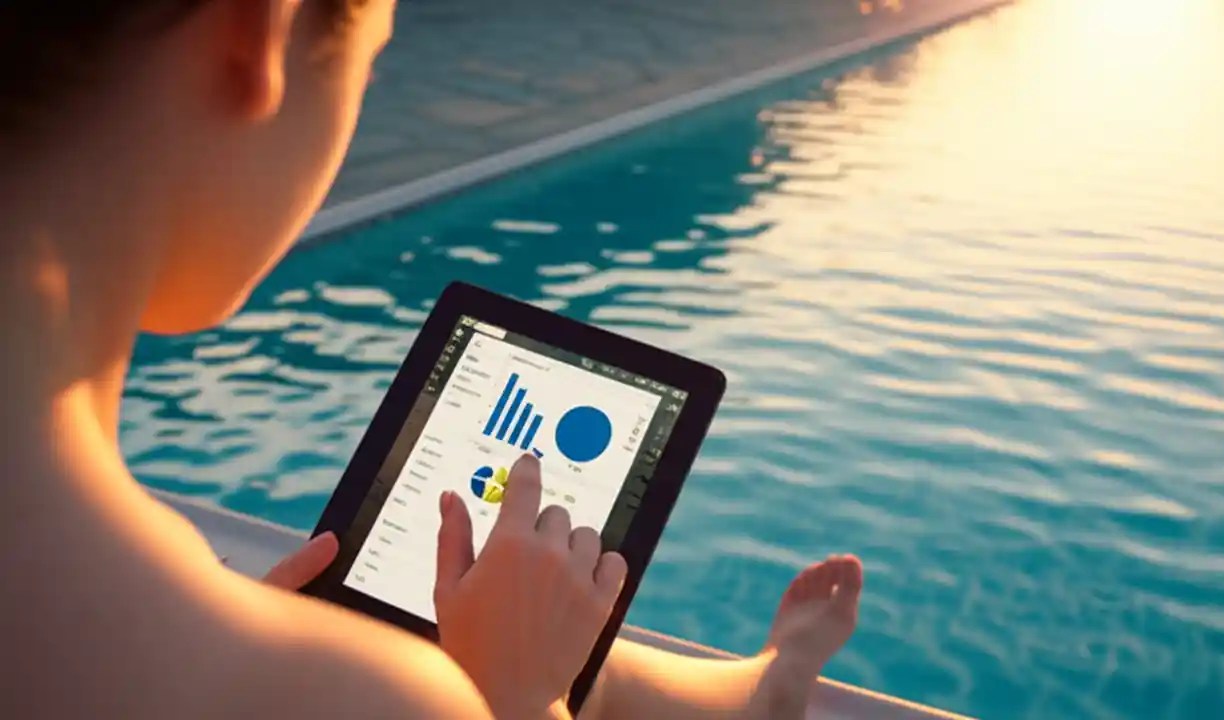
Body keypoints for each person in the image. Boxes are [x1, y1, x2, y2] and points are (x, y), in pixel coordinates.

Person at [0, 1, 863, 718]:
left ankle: (758, 690)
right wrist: (512, 701)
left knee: (516, 626)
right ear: (255, 33)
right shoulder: (374, 698)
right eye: (370, 66)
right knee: (530, 663)